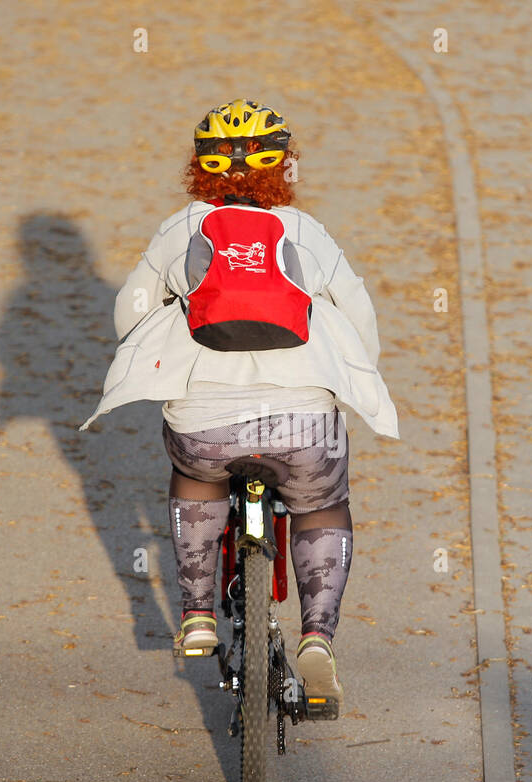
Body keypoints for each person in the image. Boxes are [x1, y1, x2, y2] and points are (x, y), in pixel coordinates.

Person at [81, 99, 399, 714]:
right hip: (303, 419)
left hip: (206, 421)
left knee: (196, 474)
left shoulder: (182, 229)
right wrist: (353, 380)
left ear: (199, 167)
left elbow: (130, 313)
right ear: (284, 166)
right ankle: (317, 635)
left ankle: (198, 614)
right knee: (321, 504)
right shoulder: (305, 232)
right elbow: (360, 318)